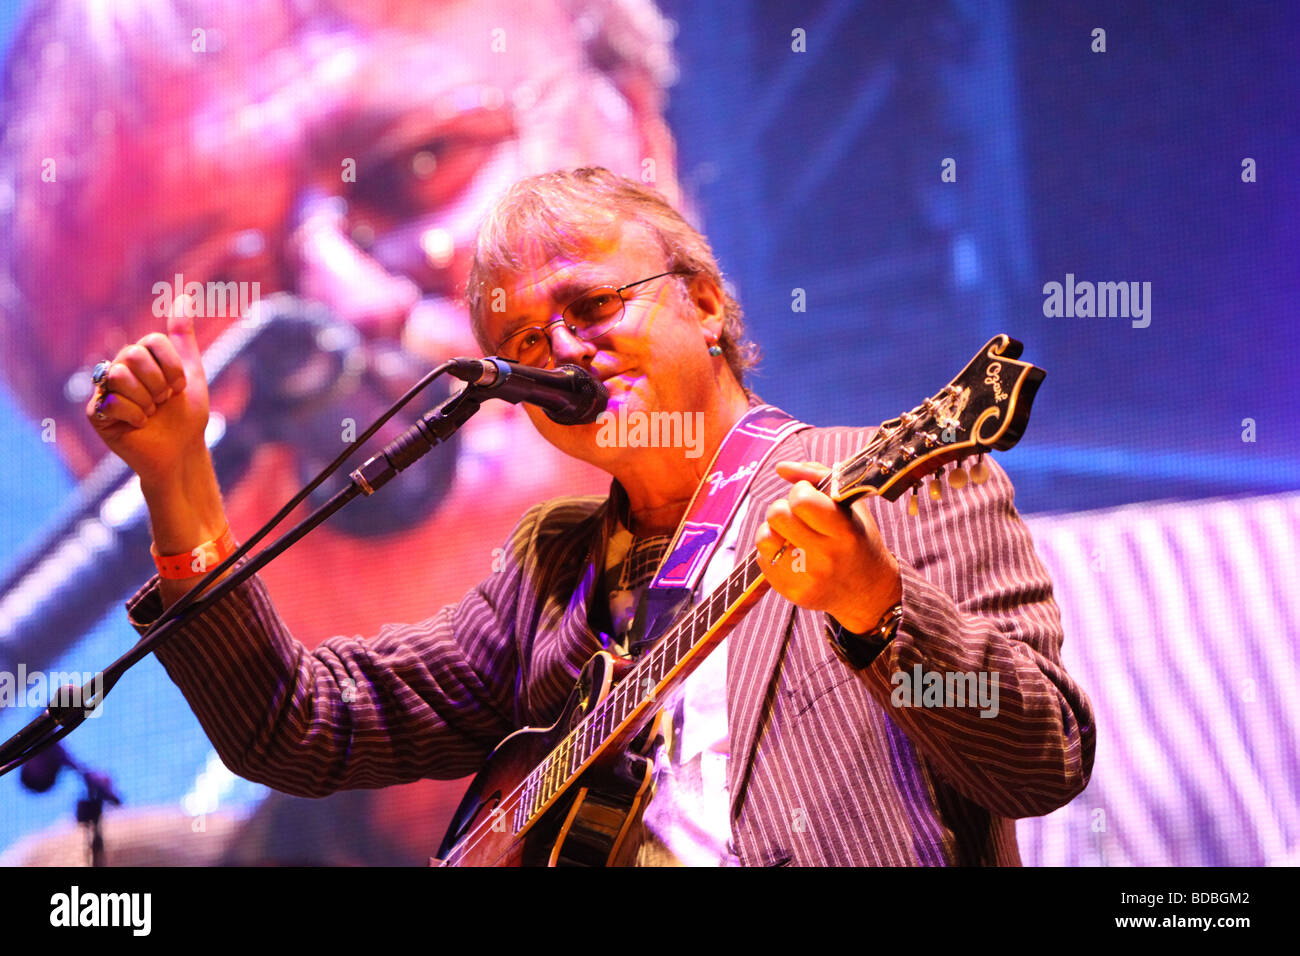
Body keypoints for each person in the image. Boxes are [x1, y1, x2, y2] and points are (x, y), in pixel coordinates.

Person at [91, 167, 1095, 865]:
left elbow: (1042, 755)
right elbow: (294, 727)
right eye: (526, 338)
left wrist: (875, 602)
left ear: (703, 303)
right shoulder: (549, 570)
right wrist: (179, 479)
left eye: (592, 306)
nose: (561, 350)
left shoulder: (901, 482)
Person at [1, 0, 678, 860]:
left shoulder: (867, 534)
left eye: (421, 166)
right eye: (216, 282)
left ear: (642, 145)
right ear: (88, 444)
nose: (350, 306)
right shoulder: (91, 885)